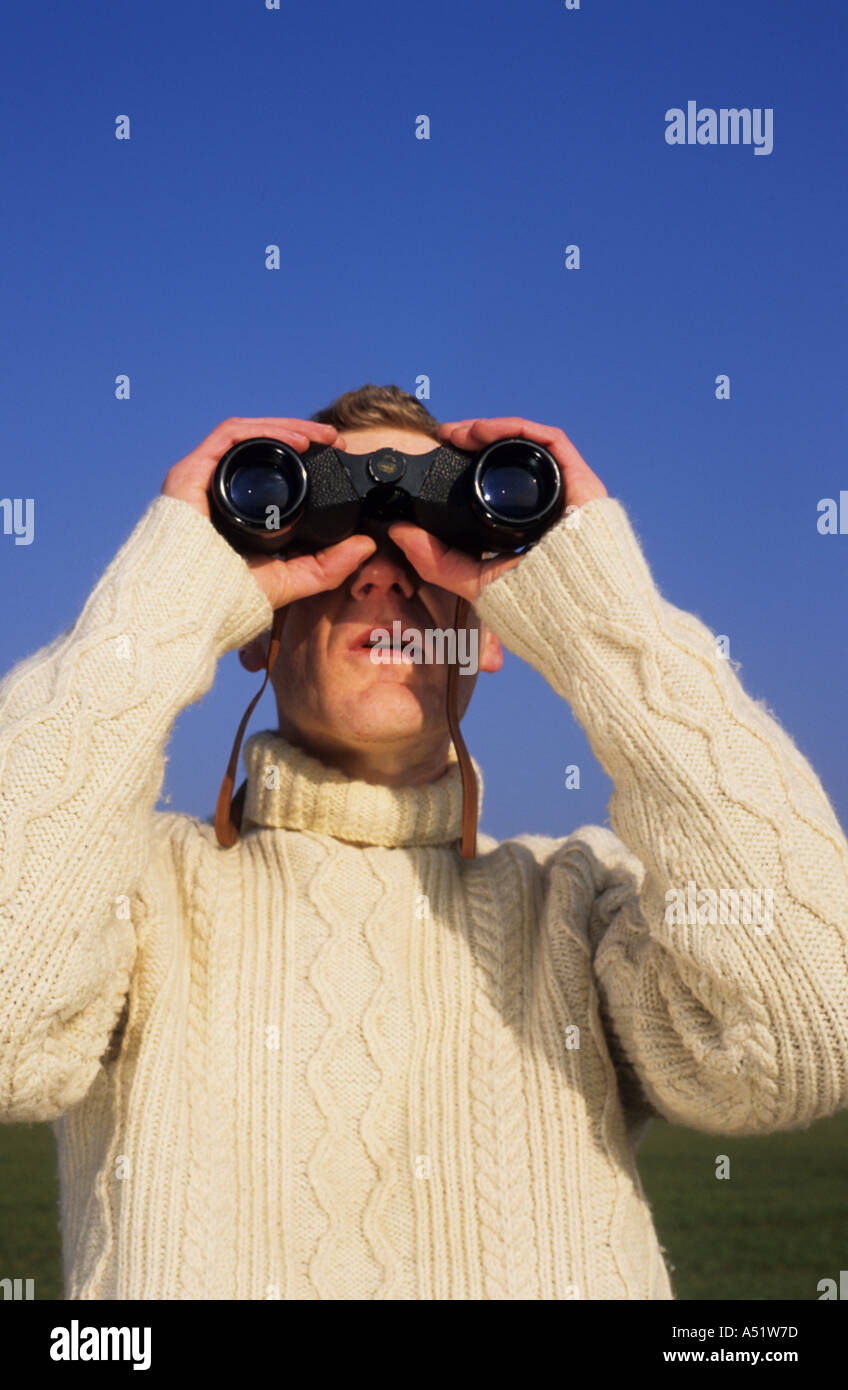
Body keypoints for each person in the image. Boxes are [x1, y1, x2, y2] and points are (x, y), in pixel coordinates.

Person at [1, 383, 846, 1301]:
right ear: (257, 626)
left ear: (488, 634)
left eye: (429, 540)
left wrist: (610, 625)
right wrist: (159, 606)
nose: (384, 573)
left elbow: (805, 1038)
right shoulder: (134, 892)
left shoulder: (579, 898)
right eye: (332, 535)